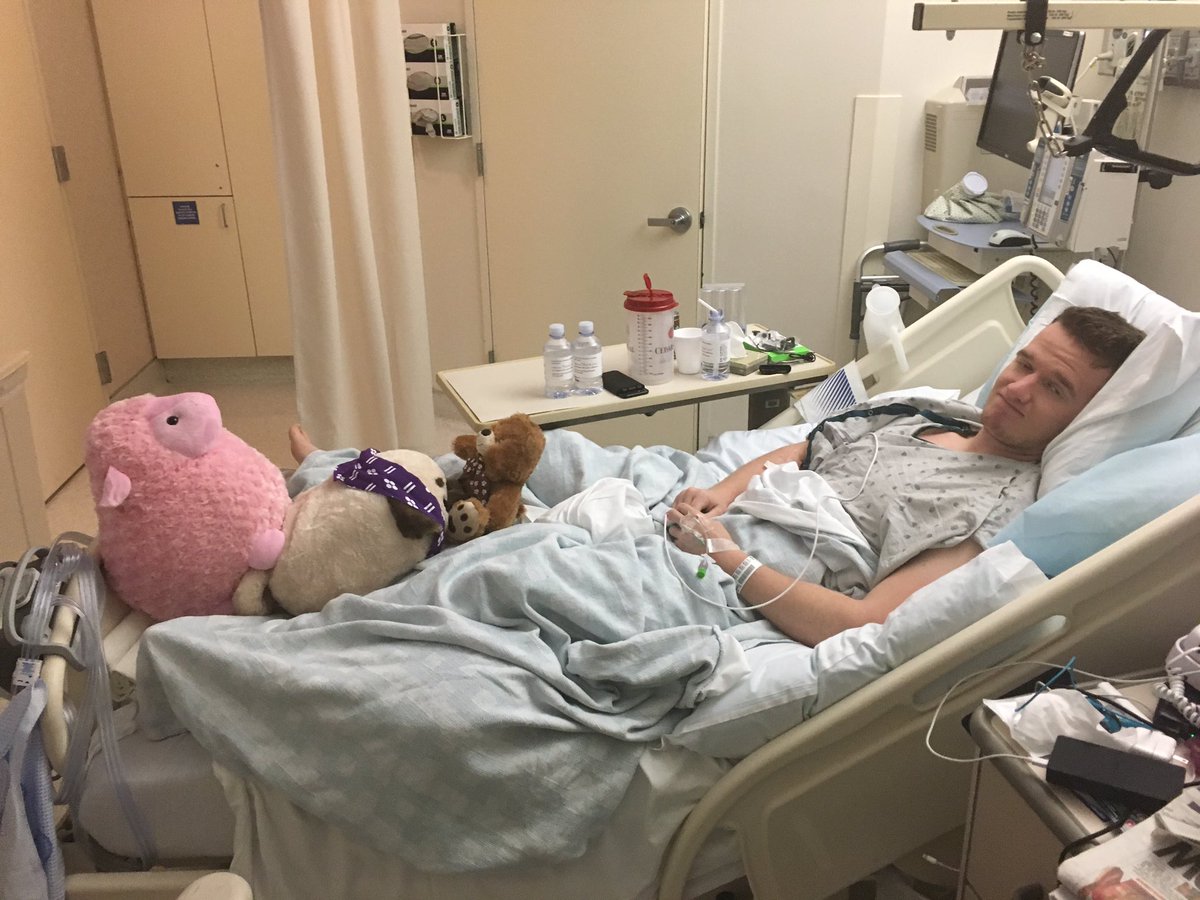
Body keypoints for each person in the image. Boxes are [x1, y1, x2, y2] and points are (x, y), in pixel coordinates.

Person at [666, 305, 1145, 646]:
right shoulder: (930, 412)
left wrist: (727, 557)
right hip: (706, 526)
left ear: (1083, 420)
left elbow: (865, 622)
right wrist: (722, 491)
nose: (1019, 388)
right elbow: (809, 447)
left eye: (1055, 388)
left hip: (726, 579)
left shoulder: (995, 507)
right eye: (1024, 363)